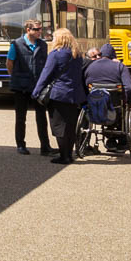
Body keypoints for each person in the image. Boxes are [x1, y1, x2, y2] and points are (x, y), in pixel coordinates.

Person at [32, 27, 86, 164]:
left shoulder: (56, 54)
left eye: (55, 37)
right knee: (71, 126)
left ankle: (64, 156)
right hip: (75, 95)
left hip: (59, 94)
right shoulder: (77, 54)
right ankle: (69, 154)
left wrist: (36, 91)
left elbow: (46, 73)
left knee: (58, 126)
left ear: (59, 39)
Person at [5, 19, 54, 156]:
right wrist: (16, 77)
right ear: (28, 30)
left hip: (38, 86)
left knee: (41, 117)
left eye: (40, 29)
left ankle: (45, 146)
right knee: (21, 117)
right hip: (21, 87)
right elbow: (9, 63)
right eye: (37, 29)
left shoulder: (43, 45)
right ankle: (21, 145)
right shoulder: (16, 44)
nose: (40, 32)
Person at [83, 43, 131, 152]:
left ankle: (110, 140)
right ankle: (122, 141)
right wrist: (130, 103)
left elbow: (86, 85)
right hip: (117, 105)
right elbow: (130, 87)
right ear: (113, 56)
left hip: (97, 104)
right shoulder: (119, 66)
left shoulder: (91, 67)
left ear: (101, 54)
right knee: (123, 112)